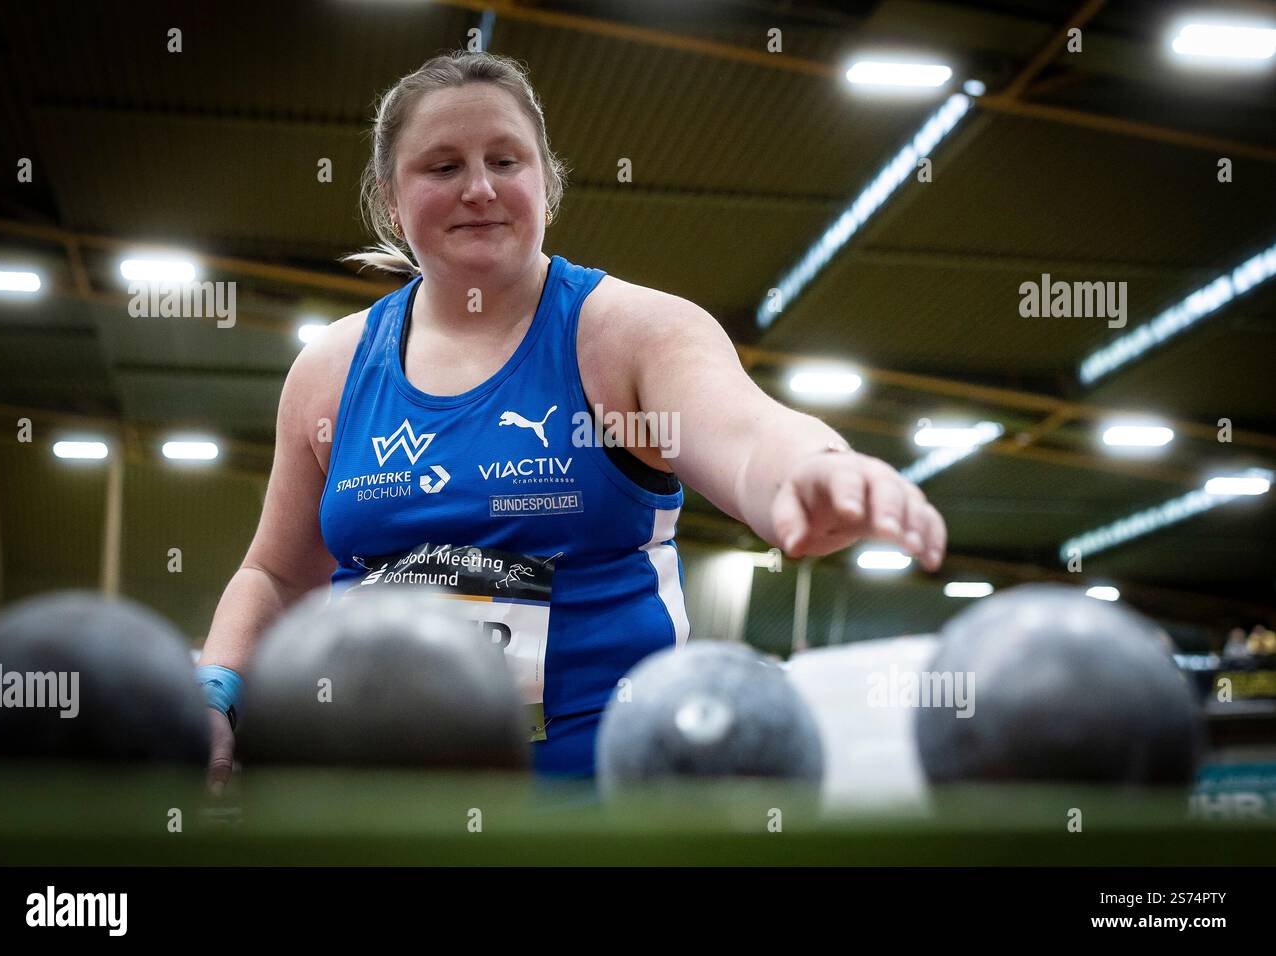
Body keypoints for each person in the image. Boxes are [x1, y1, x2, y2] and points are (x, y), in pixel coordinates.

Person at [196, 50, 946, 791]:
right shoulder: (331, 369)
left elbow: (745, 434)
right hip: (373, 804)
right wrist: (215, 689)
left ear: (547, 185)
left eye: (506, 160)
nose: (480, 188)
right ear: (392, 200)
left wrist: (812, 466)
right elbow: (277, 574)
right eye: (443, 167)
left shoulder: (629, 334)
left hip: (598, 809)